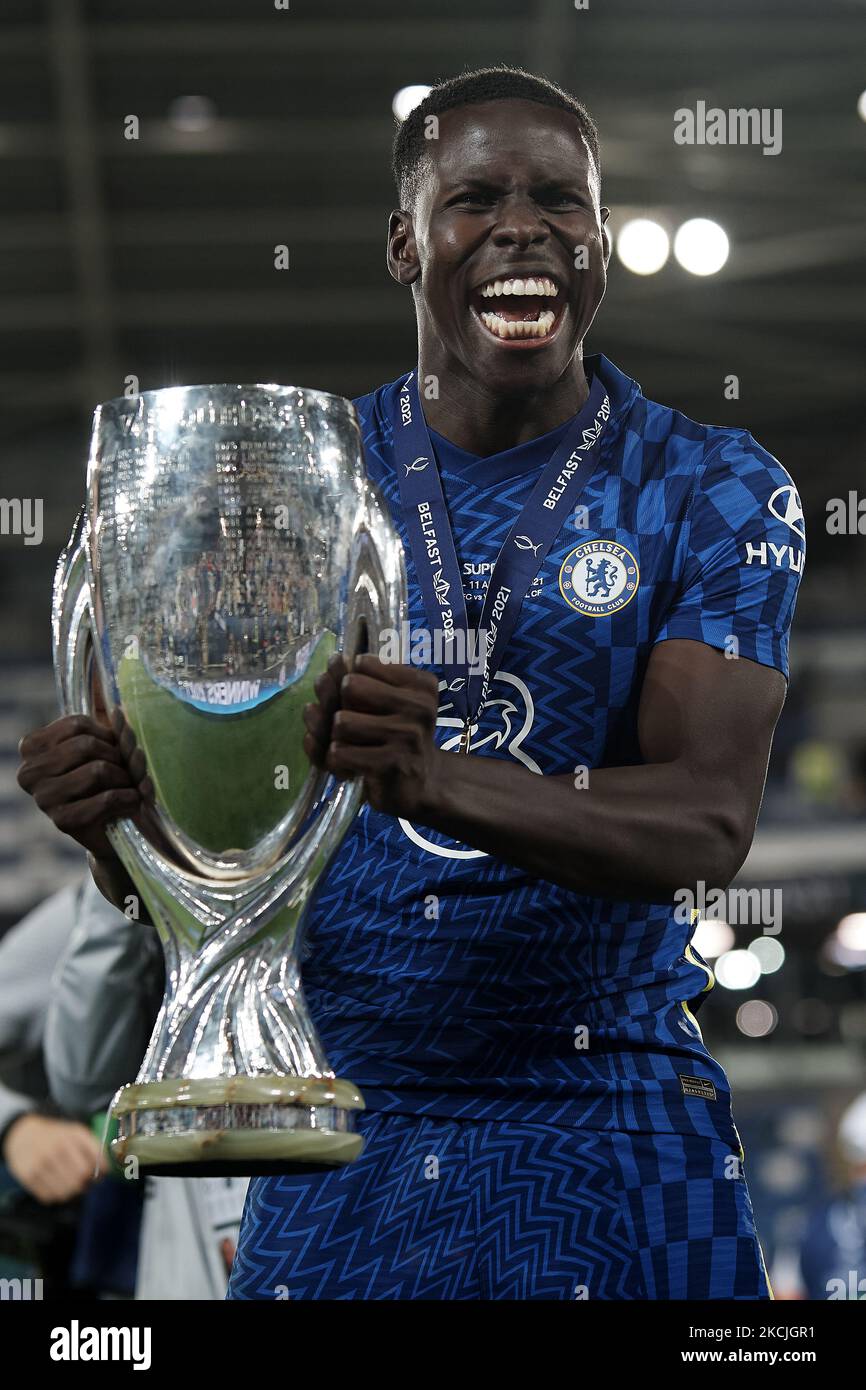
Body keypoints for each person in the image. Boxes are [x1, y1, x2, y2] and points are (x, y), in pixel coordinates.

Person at [18, 66, 804, 1300]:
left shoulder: (704, 483)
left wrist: (433, 780)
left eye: (561, 198)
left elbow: (706, 821)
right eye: (473, 197)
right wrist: (126, 827)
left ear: (598, 241)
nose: (521, 226)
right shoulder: (295, 482)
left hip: (612, 1118)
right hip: (340, 1127)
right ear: (405, 243)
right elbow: (242, 833)